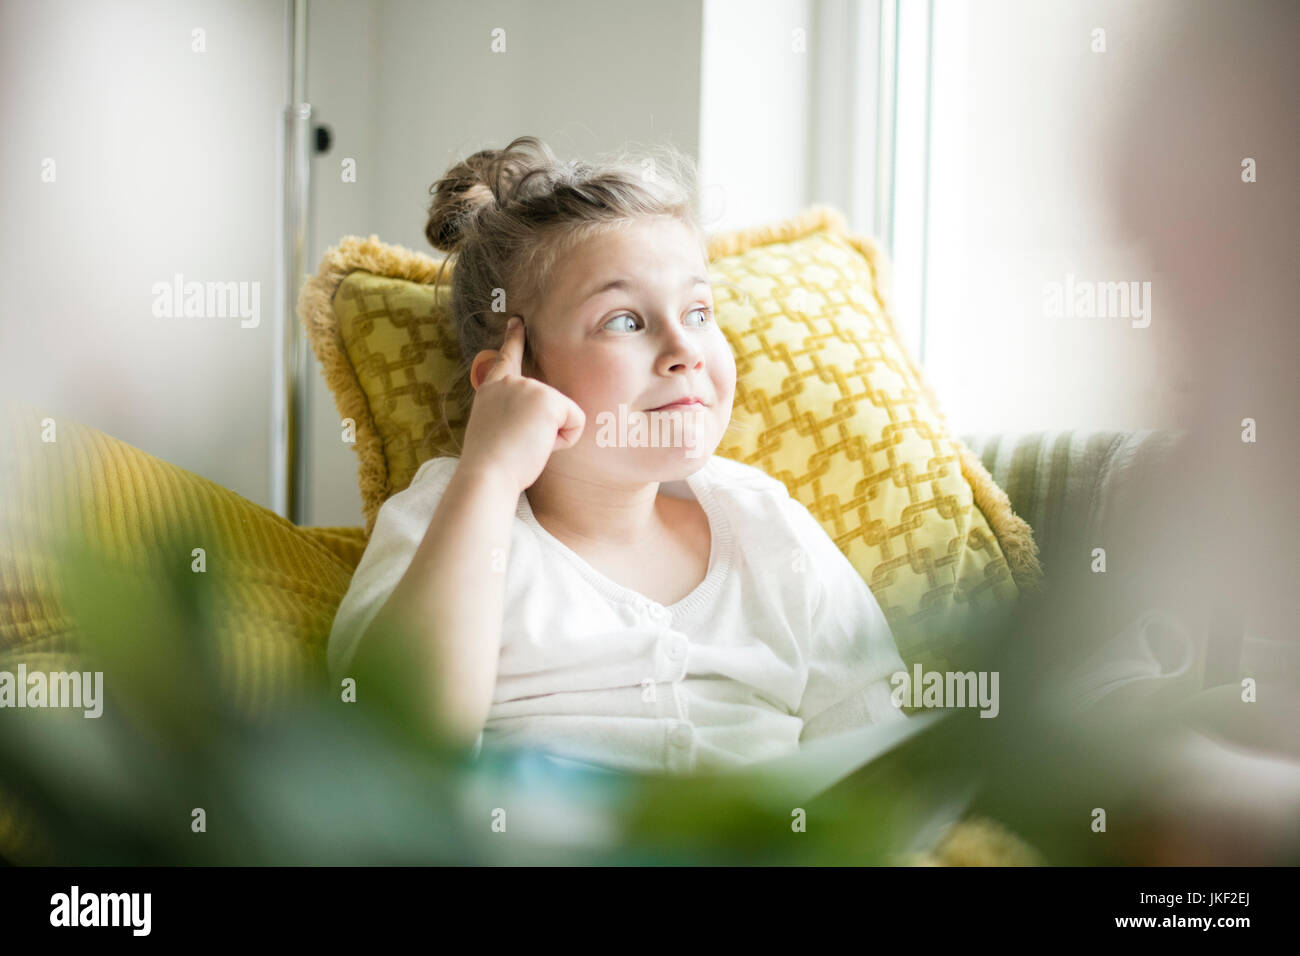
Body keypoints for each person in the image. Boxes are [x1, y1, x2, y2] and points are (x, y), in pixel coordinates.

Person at [327, 136, 908, 776]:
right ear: (511, 379)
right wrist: (489, 475)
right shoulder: (452, 517)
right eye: (624, 321)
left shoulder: (769, 530)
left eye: (698, 310)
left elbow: (877, 748)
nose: (683, 347)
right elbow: (389, 746)